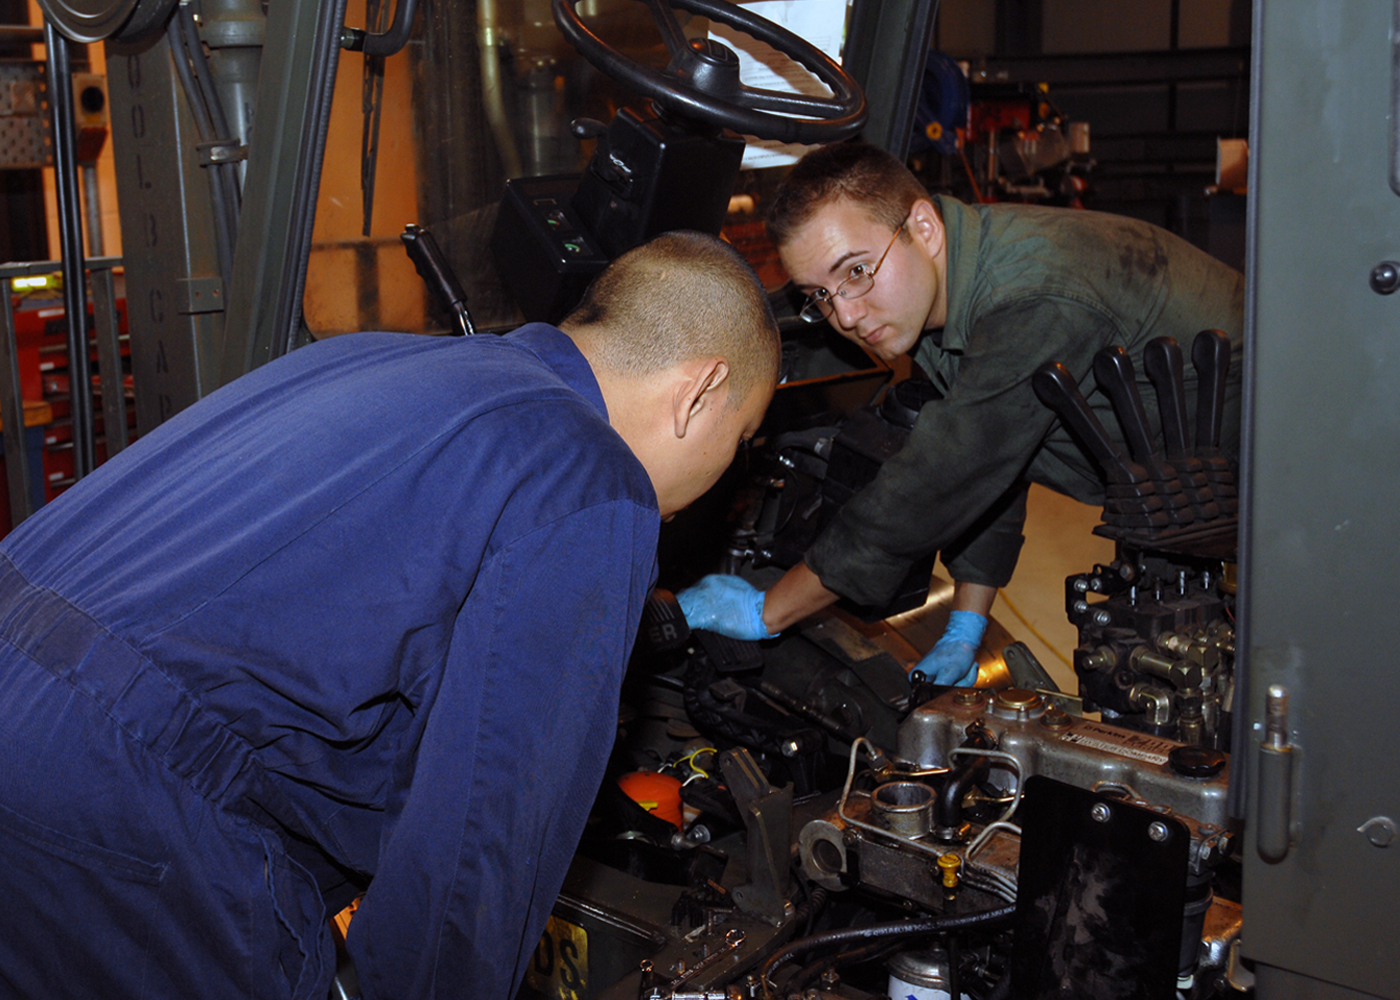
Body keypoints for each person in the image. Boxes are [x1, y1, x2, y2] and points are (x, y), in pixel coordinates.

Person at [0, 230, 779, 1000]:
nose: (725, 469)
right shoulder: (592, 478)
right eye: (739, 436)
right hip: (121, 794)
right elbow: (482, 834)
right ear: (700, 392)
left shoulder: (381, 356)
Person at [679, 141, 1243, 685]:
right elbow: (1003, 462)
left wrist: (770, 611)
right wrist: (966, 624)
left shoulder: (1030, 297)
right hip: (1190, 502)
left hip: (1289, 484)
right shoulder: (948, 285)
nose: (845, 316)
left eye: (854, 272)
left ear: (923, 227)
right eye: (819, 296)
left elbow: (944, 474)